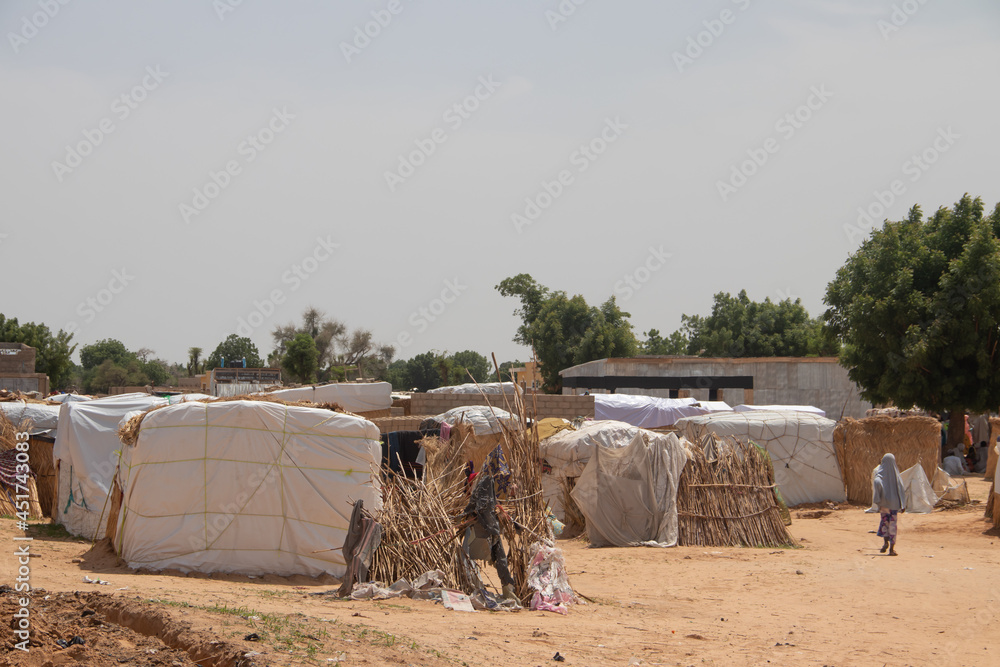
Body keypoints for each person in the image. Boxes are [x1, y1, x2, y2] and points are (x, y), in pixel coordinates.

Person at [873, 453, 906, 556]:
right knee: (892, 525)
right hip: (894, 505)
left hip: (884, 504)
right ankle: (891, 549)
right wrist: (903, 505)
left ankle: (885, 543)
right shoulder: (896, 475)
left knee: (884, 523)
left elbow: (877, 482)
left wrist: (878, 496)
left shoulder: (880, 474)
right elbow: (901, 490)